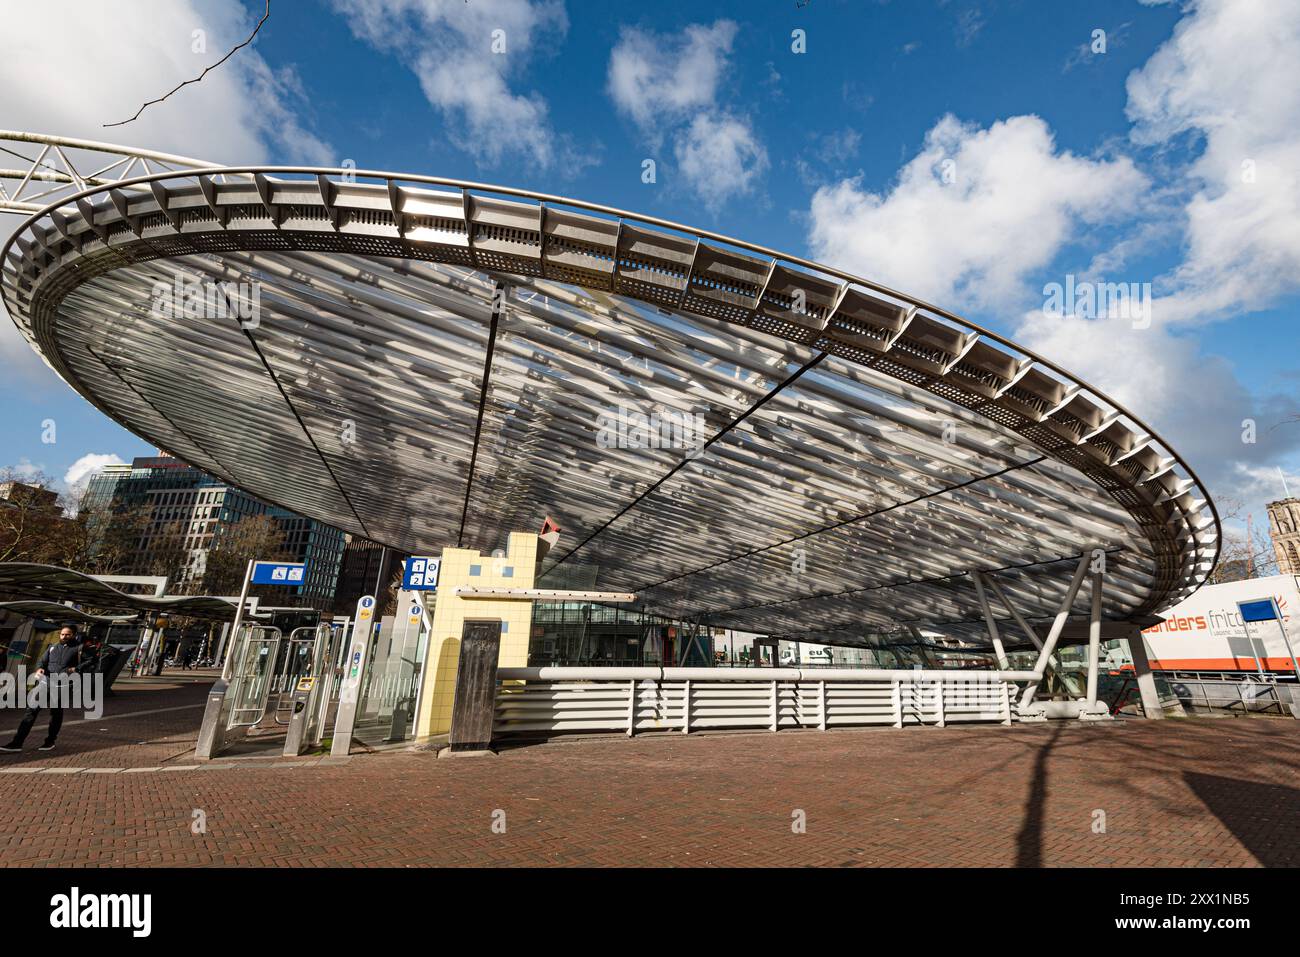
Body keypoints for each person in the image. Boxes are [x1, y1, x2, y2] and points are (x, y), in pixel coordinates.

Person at [1, 624, 81, 753]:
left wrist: (75, 669)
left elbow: (90, 662)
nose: (64, 636)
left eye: (67, 634)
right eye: (62, 634)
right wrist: (40, 668)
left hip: (62, 686)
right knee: (30, 711)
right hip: (44, 684)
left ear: (73, 635)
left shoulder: (78, 648)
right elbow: (41, 661)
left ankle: (50, 741)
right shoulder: (52, 647)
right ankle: (17, 743)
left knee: (56, 714)